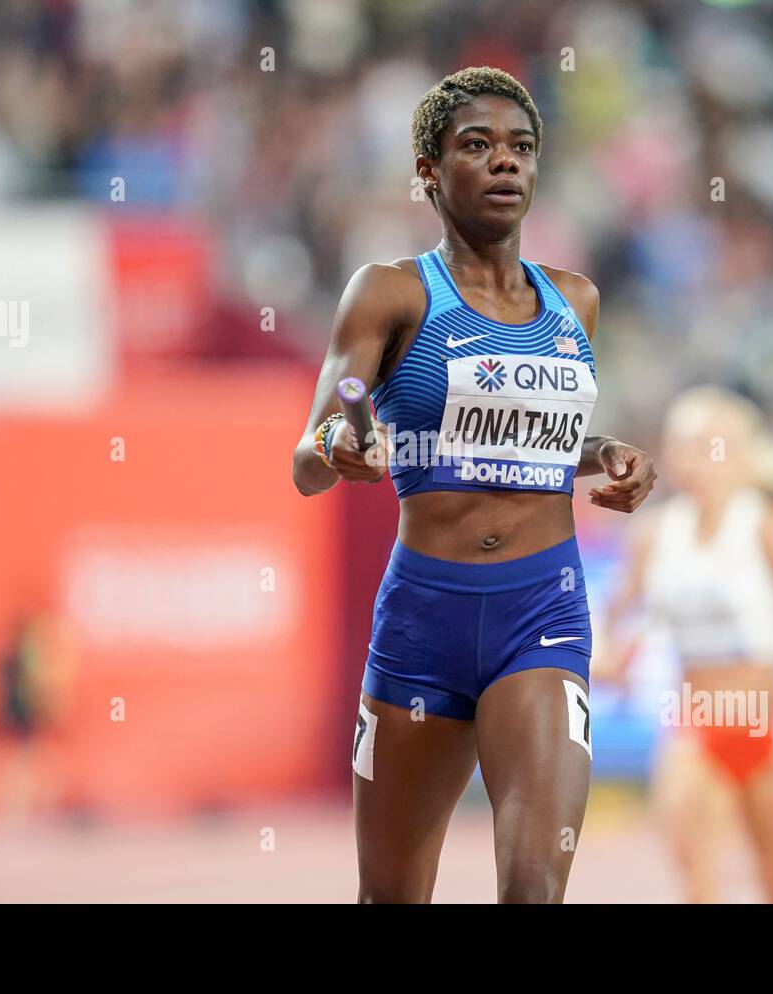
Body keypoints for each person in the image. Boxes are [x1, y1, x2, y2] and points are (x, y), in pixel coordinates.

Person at [291, 66, 656, 903]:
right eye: (477, 146)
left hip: (543, 612)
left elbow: (537, 444)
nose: (505, 164)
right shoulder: (389, 292)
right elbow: (308, 457)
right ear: (427, 171)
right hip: (426, 617)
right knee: (391, 897)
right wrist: (339, 449)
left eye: (521, 149)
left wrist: (605, 456)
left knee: (534, 890)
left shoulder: (575, 301)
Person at [594, 386, 773, 902]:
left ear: (742, 455)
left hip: (767, 729)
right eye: (685, 445)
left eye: (712, 444)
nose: (698, 460)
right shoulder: (656, 534)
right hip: (695, 728)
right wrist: (607, 655)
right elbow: (612, 613)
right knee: (697, 884)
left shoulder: (770, 528)